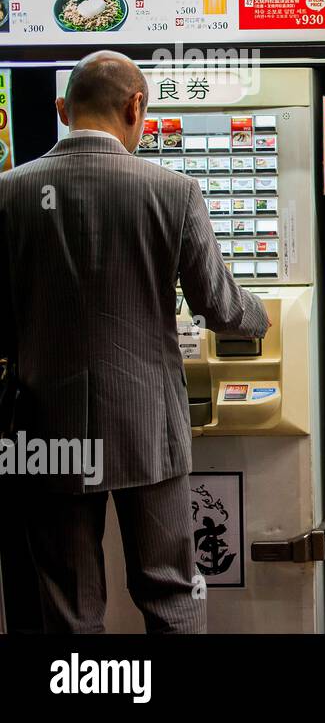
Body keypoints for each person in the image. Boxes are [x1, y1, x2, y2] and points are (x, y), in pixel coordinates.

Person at [0, 51, 269, 633]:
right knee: (170, 591)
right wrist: (261, 318)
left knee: (69, 607)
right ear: (135, 106)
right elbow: (222, 309)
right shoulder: (173, 190)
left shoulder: (9, 193)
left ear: (60, 109)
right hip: (148, 426)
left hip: (48, 429)